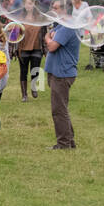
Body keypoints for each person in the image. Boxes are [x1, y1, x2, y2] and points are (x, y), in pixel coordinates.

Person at [44, 18, 80, 149]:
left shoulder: (67, 28)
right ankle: (69, 141)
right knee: (61, 108)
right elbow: (47, 35)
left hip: (62, 74)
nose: (53, 12)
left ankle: (63, 143)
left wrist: (50, 39)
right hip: (57, 72)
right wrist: (50, 37)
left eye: (56, 8)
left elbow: (52, 46)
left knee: (59, 110)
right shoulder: (60, 26)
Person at [16, 3, 47, 100]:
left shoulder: (39, 17)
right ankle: (24, 95)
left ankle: (34, 88)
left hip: (37, 48)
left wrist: (45, 49)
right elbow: (16, 33)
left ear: (34, 5)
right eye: (26, 4)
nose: (28, 6)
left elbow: (44, 34)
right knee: (23, 71)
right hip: (23, 48)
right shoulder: (20, 18)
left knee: (35, 70)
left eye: (30, 3)